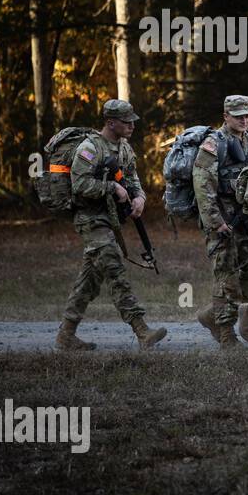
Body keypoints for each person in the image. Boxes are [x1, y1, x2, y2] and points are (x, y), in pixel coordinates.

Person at [56, 99, 167, 351]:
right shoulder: (90, 148)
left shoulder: (124, 148)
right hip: (90, 219)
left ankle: (66, 336)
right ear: (110, 122)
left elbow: (132, 178)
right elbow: (80, 185)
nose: (131, 125)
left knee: (90, 279)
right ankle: (142, 330)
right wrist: (111, 186)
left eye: (132, 121)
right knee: (115, 270)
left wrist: (139, 197)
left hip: (110, 219)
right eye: (126, 122)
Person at [191, 95, 248, 348]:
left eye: (247, 115)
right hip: (223, 221)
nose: (244, 120)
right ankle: (226, 335)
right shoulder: (214, 144)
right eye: (238, 116)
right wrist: (215, 222)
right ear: (226, 116)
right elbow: (202, 184)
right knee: (225, 278)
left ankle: (211, 315)